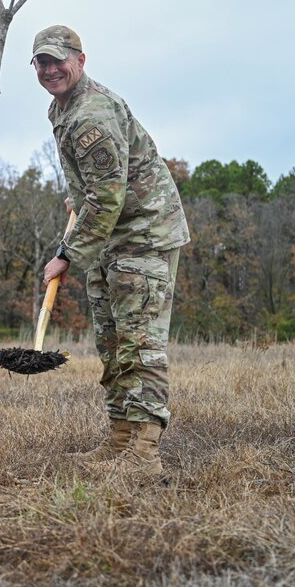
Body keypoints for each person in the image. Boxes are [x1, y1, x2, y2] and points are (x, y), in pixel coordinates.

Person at [34, 25, 190, 479]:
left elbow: (108, 196)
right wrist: (79, 200)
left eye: (58, 60)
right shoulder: (61, 108)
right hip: (110, 234)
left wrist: (67, 253)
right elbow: (96, 188)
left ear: (81, 60)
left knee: (140, 342)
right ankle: (121, 438)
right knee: (113, 340)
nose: (50, 69)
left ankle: (145, 453)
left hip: (143, 233)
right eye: (42, 62)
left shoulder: (92, 115)